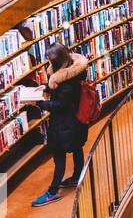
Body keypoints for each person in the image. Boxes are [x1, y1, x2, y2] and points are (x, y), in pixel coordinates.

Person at [30, 45, 91, 206]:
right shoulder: (73, 71)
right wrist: (45, 87)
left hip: (65, 124)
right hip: (76, 121)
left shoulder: (67, 82)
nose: (48, 62)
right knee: (77, 147)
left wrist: (40, 103)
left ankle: (52, 191)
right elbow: (58, 85)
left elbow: (60, 105)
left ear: (57, 61)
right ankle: (77, 176)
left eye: (50, 60)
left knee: (59, 156)